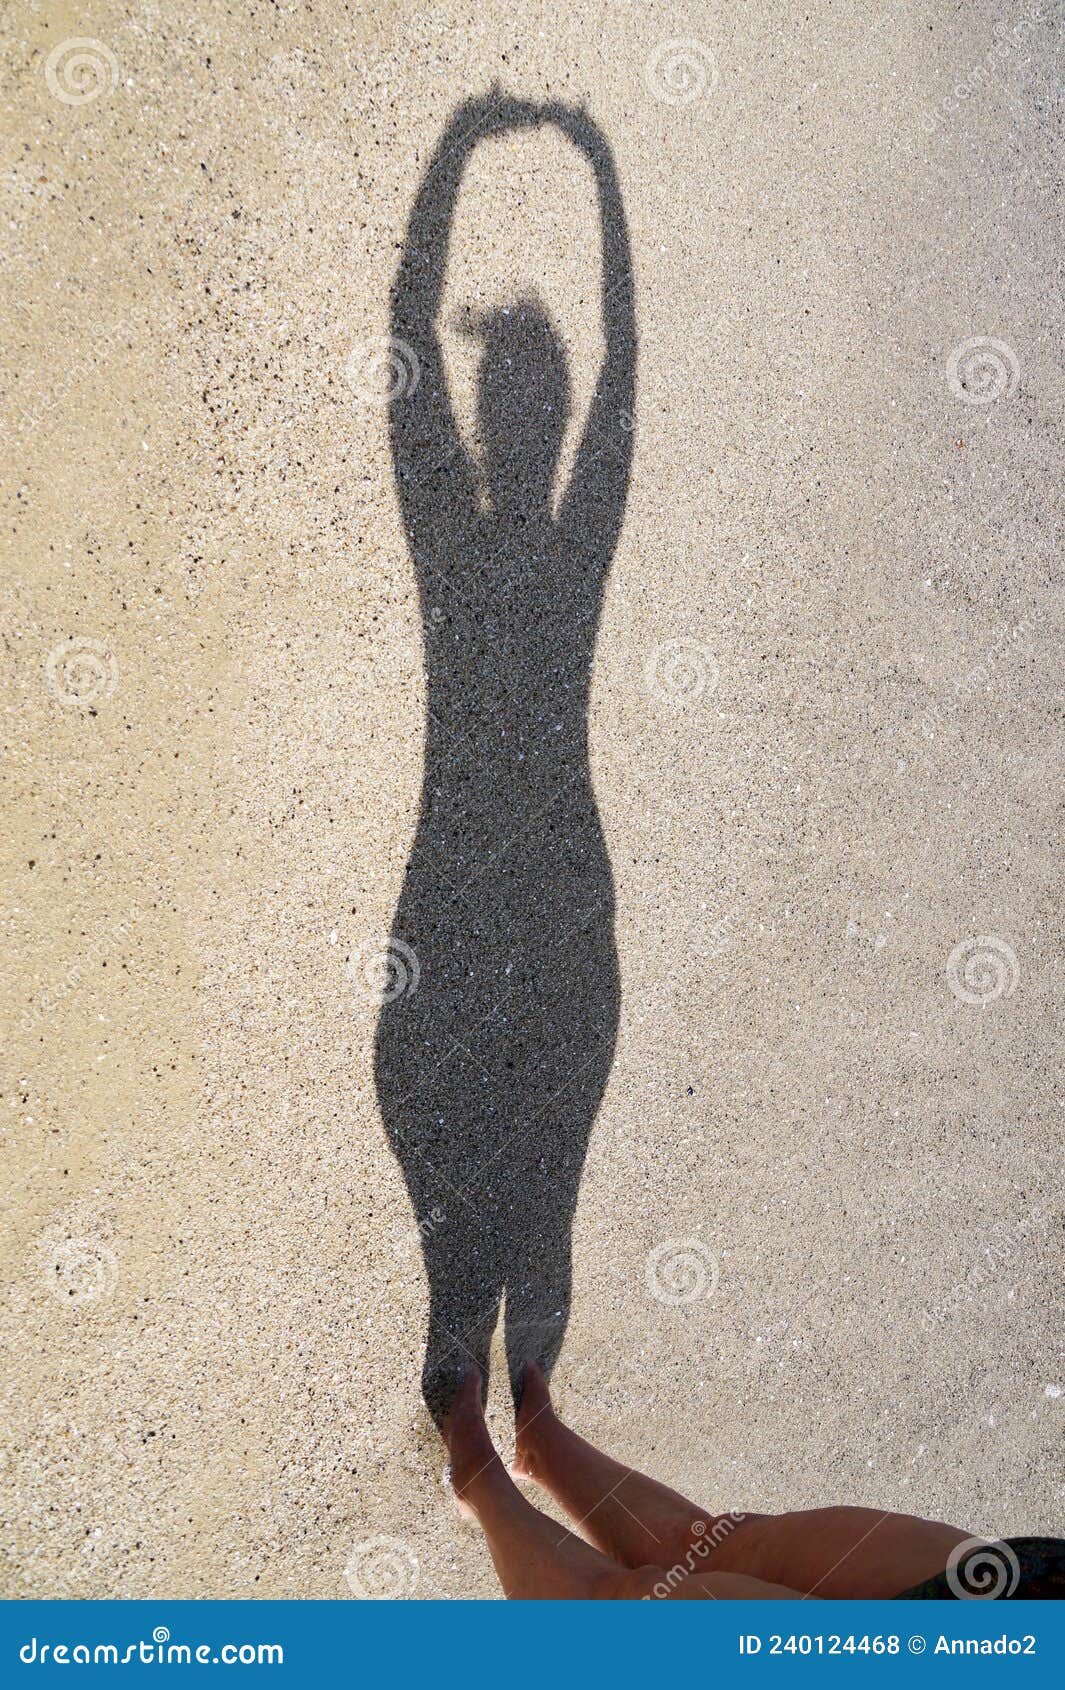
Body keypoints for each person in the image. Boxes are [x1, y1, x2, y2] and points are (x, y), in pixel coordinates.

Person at [444, 1364, 1064, 1600]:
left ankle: (480, 1482)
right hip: (1017, 1593)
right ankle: (545, 1448)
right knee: (723, 1546)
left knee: (623, 1610)